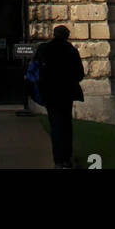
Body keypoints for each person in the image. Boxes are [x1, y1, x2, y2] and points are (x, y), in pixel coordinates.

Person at [36, 25, 85, 168]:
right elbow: (79, 74)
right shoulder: (71, 51)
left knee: (55, 126)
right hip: (66, 93)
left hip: (50, 93)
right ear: (67, 35)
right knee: (66, 125)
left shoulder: (45, 49)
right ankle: (66, 159)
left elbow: (38, 70)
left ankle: (58, 160)